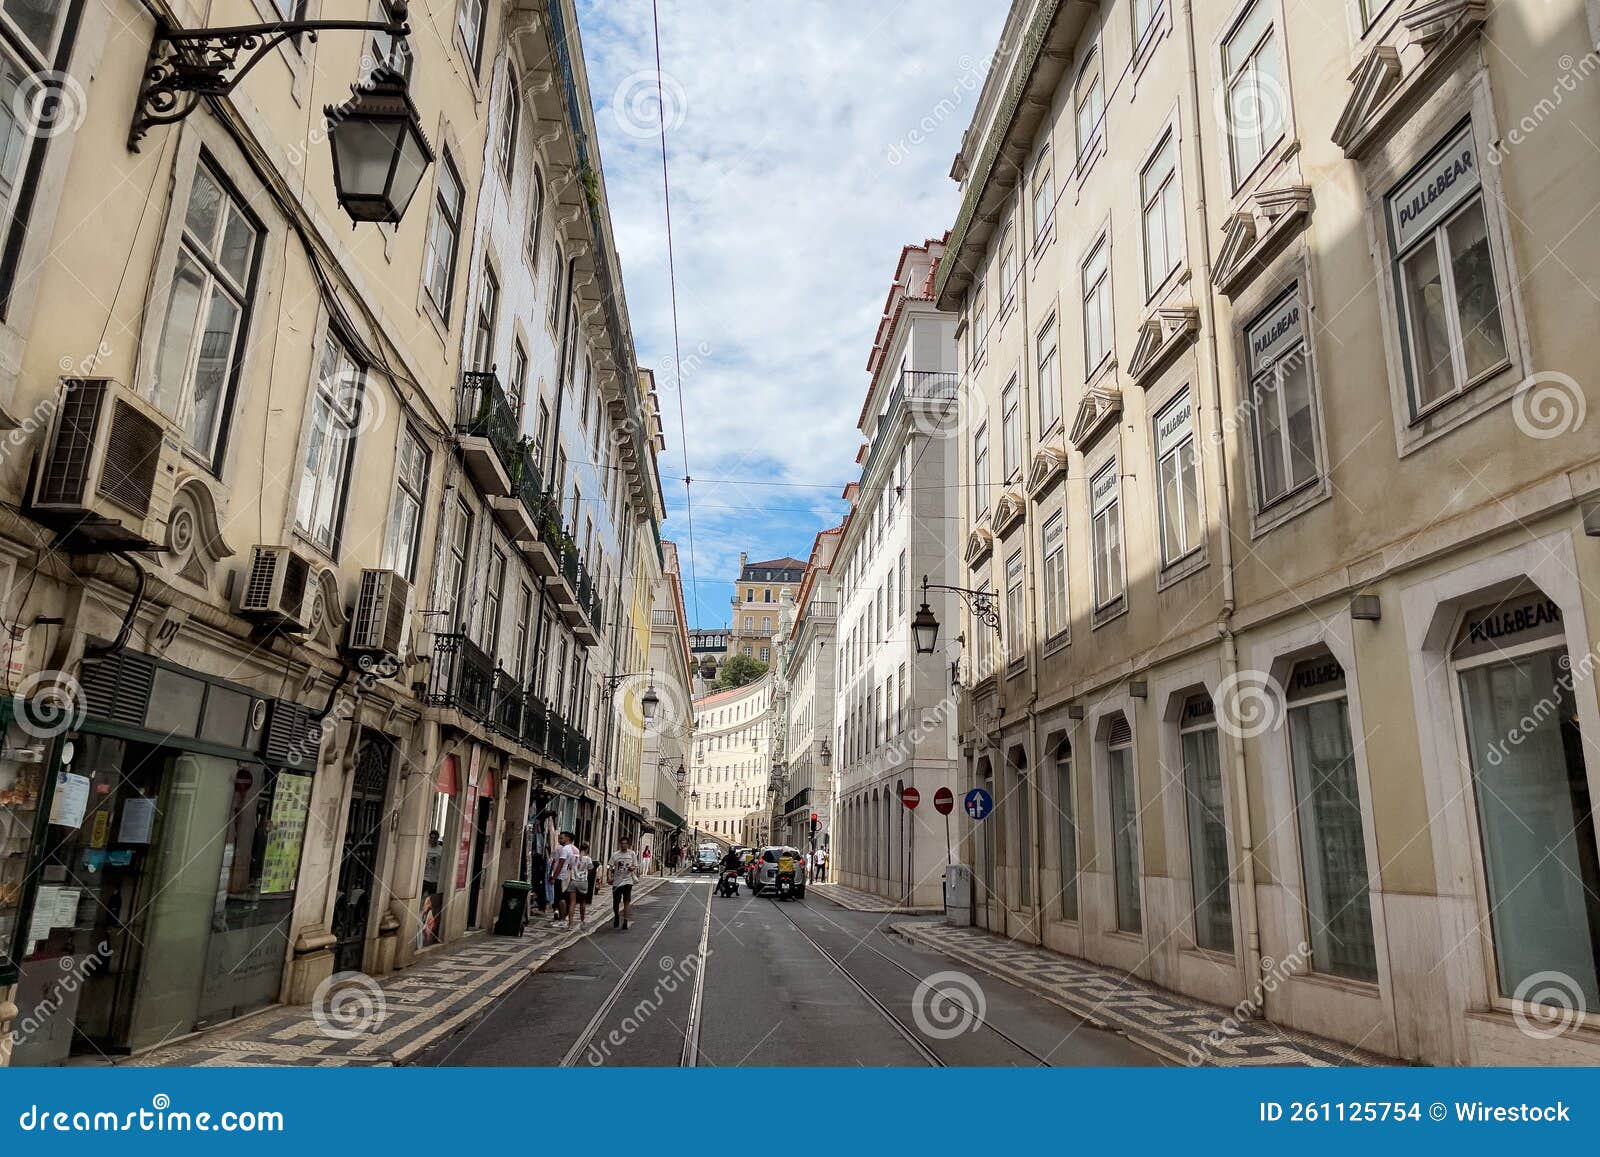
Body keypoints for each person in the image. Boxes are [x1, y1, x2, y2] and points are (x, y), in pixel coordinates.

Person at [609, 836, 640, 929]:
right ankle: (617, 917)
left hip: (628, 881)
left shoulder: (632, 854)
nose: (623, 845)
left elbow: (635, 865)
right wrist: (609, 877)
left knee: (627, 901)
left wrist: (632, 868)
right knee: (616, 903)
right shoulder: (615, 854)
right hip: (617, 881)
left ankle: (625, 921)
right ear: (620, 844)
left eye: (625, 843)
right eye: (622, 843)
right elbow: (610, 867)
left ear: (628, 844)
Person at [550, 831, 577, 925]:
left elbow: (560, 864)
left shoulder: (565, 849)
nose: (559, 840)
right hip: (569, 876)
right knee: (566, 898)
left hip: (561, 876)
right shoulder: (574, 849)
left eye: (561, 838)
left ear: (567, 839)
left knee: (560, 897)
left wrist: (554, 876)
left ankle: (562, 918)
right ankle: (565, 918)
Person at [571, 841, 595, 928]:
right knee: (582, 902)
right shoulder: (588, 859)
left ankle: (570, 923)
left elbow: (570, 866)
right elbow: (591, 868)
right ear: (588, 849)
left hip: (573, 880)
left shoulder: (574, 857)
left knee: (572, 902)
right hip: (583, 881)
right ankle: (582, 920)